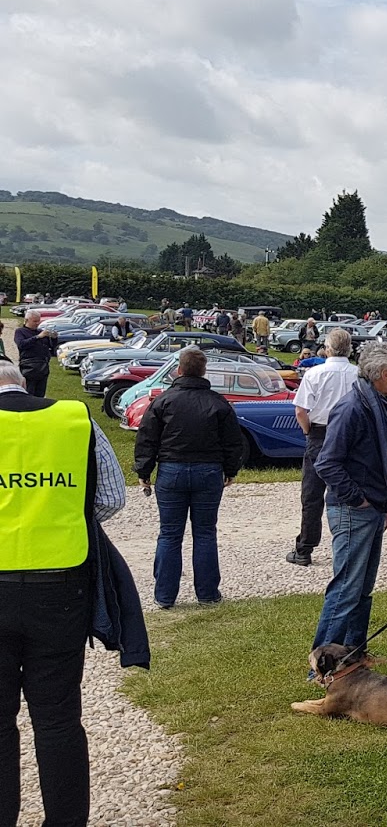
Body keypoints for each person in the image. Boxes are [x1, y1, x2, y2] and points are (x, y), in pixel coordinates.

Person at [0, 361, 137, 827]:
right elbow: (112, 499)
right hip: (60, 587)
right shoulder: (75, 419)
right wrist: (61, 516)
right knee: (57, 717)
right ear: (23, 384)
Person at [309, 344, 387, 654]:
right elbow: (327, 463)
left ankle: (352, 653)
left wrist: (380, 504)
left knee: (362, 587)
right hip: (353, 510)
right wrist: (358, 499)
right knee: (346, 589)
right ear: (384, 374)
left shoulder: (377, 404)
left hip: (371, 507)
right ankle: (325, 662)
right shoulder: (353, 407)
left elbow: (376, 459)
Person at [133, 348, 245, 608]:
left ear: (179, 370)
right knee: (205, 532)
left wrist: (144, 471)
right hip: (208, 471)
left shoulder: (163, 401)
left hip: (171, 470)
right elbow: (232, 441)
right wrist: (231, 469)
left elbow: (147, 438)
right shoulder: (218, 402)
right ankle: (207, 593)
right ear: (204, 372)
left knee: (169, 533)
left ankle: (164, 596)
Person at [286, 329, 359, 567]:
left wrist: (308, 431)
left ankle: (305, 547)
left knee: (312, 493)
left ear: (327, 349)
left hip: (319, 432)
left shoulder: (314, 374)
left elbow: (300, 410)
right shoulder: (359, 374)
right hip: (350, 435)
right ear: (349, 349)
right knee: (348, 489)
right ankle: (349, 545)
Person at [13, 311, 59, 397]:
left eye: (38, 321)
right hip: (29, 366)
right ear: (26, 320)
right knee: (29, 393)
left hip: (43, 366)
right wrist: (37, 337)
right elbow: (22, 344)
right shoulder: (20, 331)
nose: (37, 323)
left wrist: (54, 338)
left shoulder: (40, 331)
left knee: (40, 394)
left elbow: (51, 348)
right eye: (34, 321)